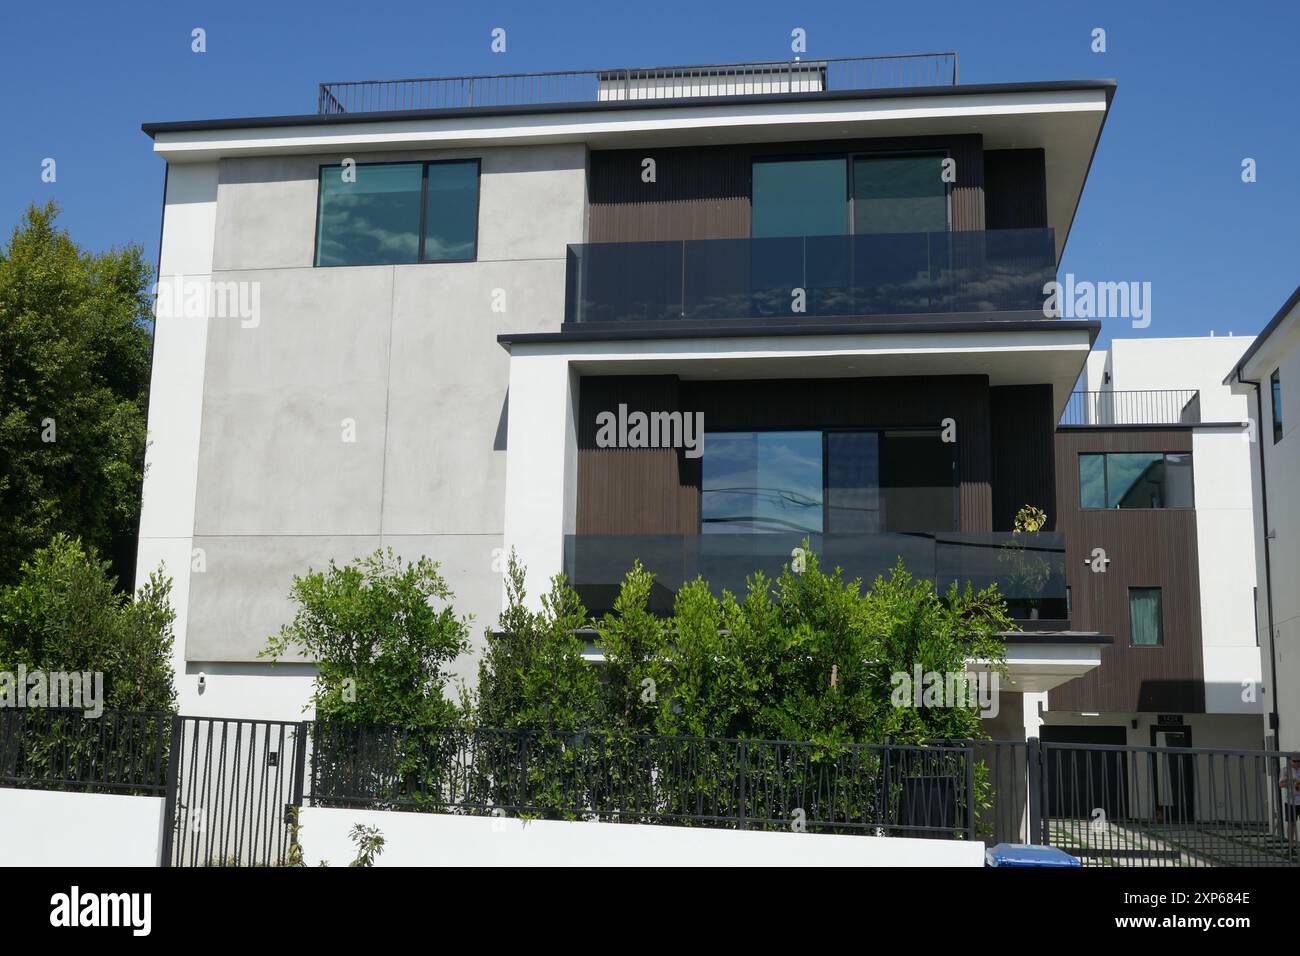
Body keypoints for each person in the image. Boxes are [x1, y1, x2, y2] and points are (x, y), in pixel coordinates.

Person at [1280, 755, 1300, 844]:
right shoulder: (1285, 770)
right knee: (1291, 824)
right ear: (1290, 761)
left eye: (1298, 761)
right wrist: (1292, 780)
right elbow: (1281, 784)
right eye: (1294, 761)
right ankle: (1291, 846)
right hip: (1291, 802)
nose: (1297, 763)